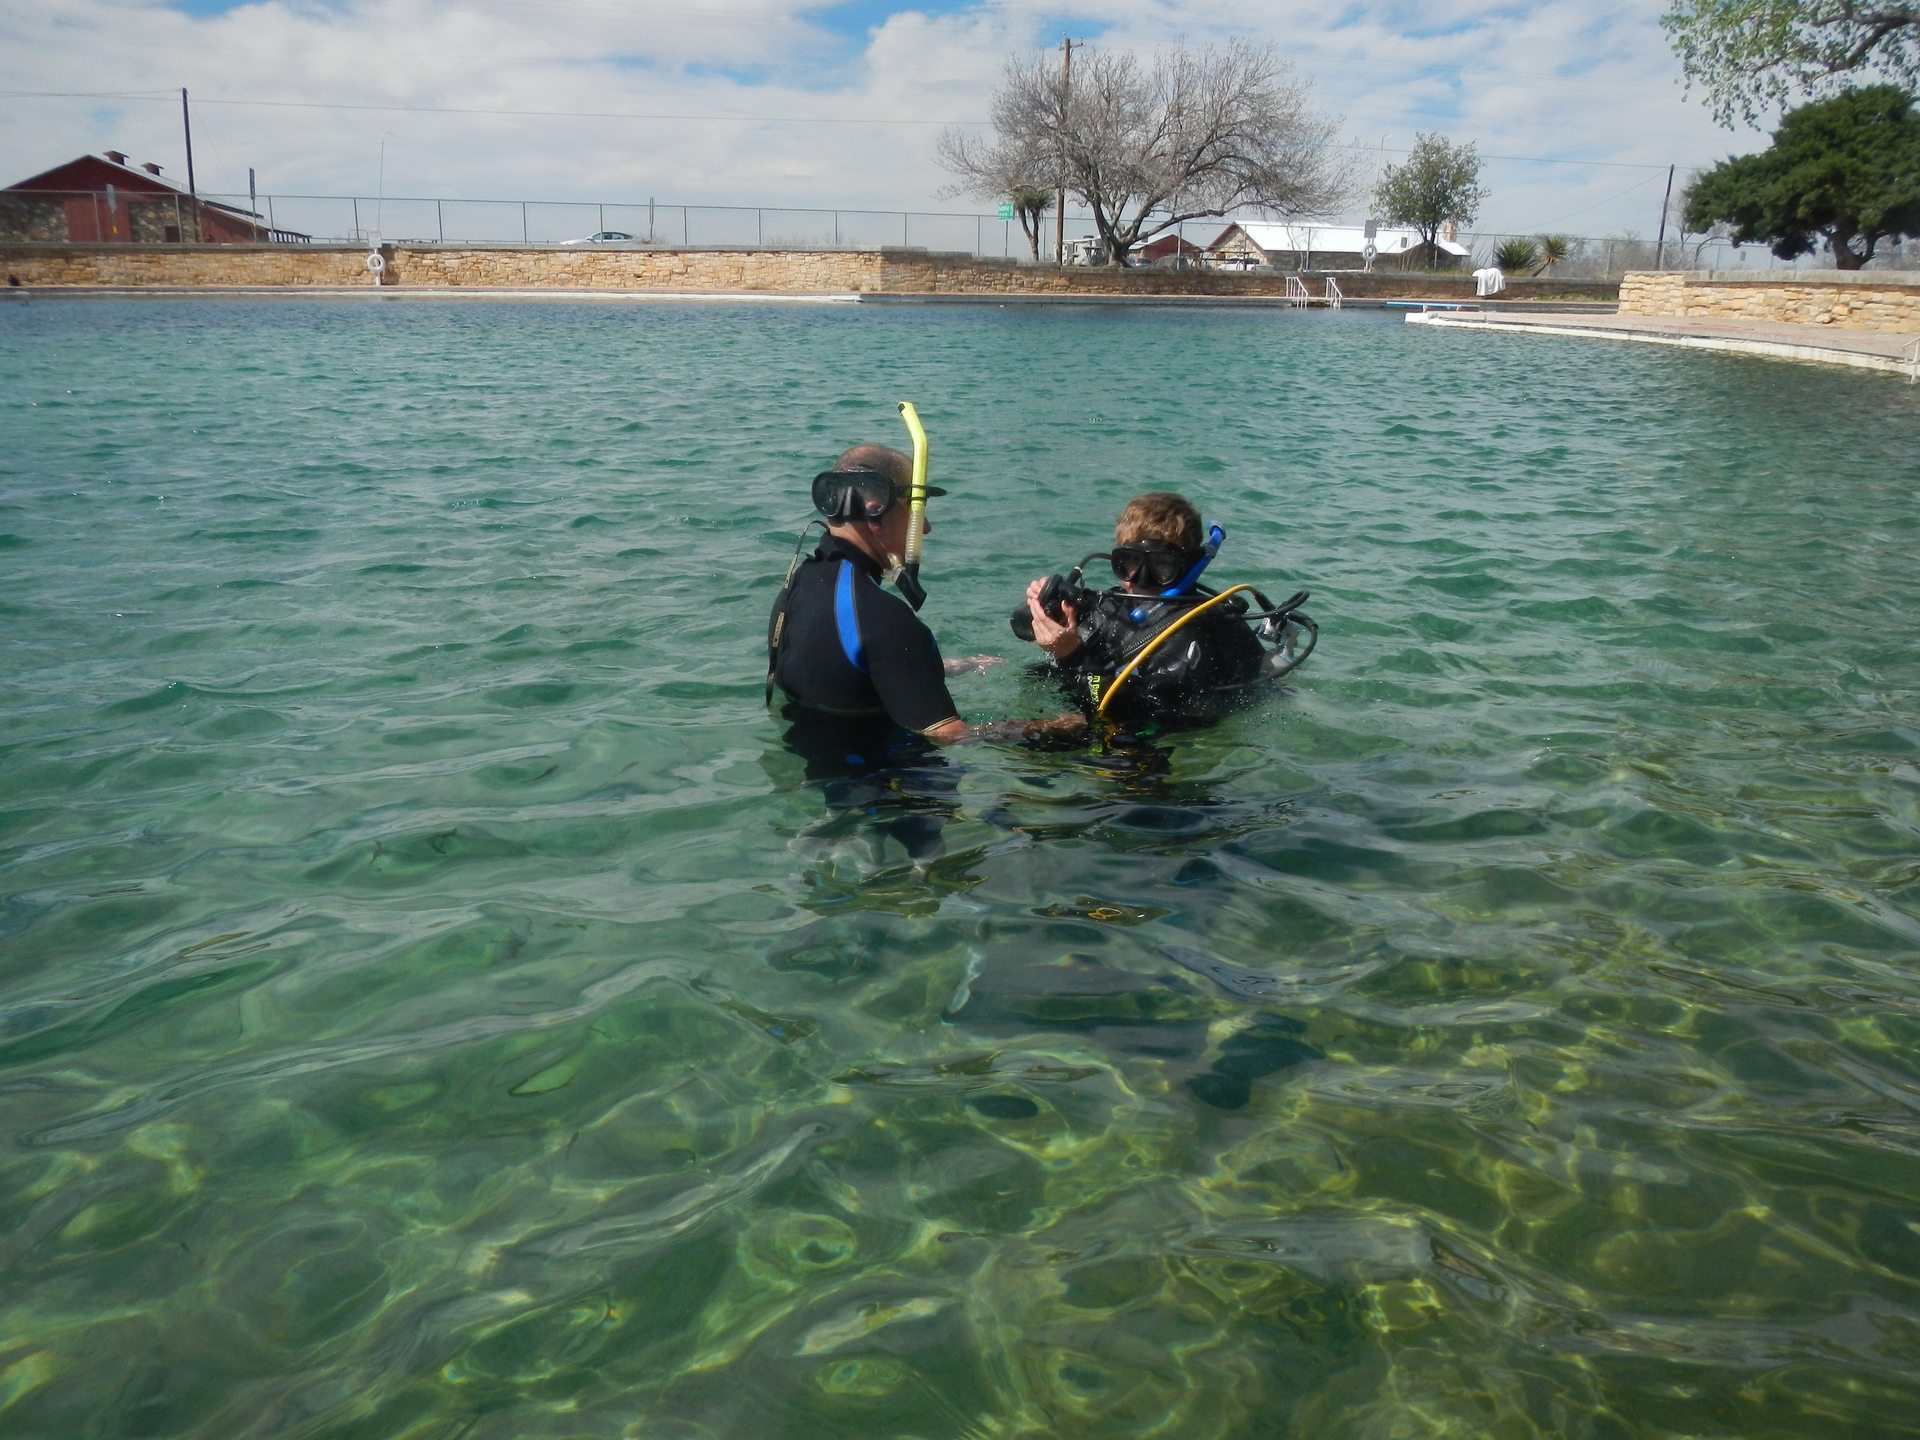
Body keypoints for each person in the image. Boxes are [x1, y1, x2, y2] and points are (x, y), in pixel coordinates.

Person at [767, 442, 1082, 755]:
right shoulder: (883, 618)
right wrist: (1052, 725)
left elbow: (853, 671)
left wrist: (958, 665)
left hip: (823, 771)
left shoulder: (798, 584)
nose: (926, 528)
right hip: (889, 792)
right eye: (917, 512)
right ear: (875, 511)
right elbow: (951, 736)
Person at [1015, 491, 1313, 727]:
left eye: (1160, 566)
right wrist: (1047, 611)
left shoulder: (1200, 632)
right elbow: (1042, 641)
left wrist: (1072, 657)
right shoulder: (1115, 604)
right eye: (1129, 563)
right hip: (1109, 706)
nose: (1141, 581)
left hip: (1159, 741)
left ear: (1189, 566)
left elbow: (1124, 717)